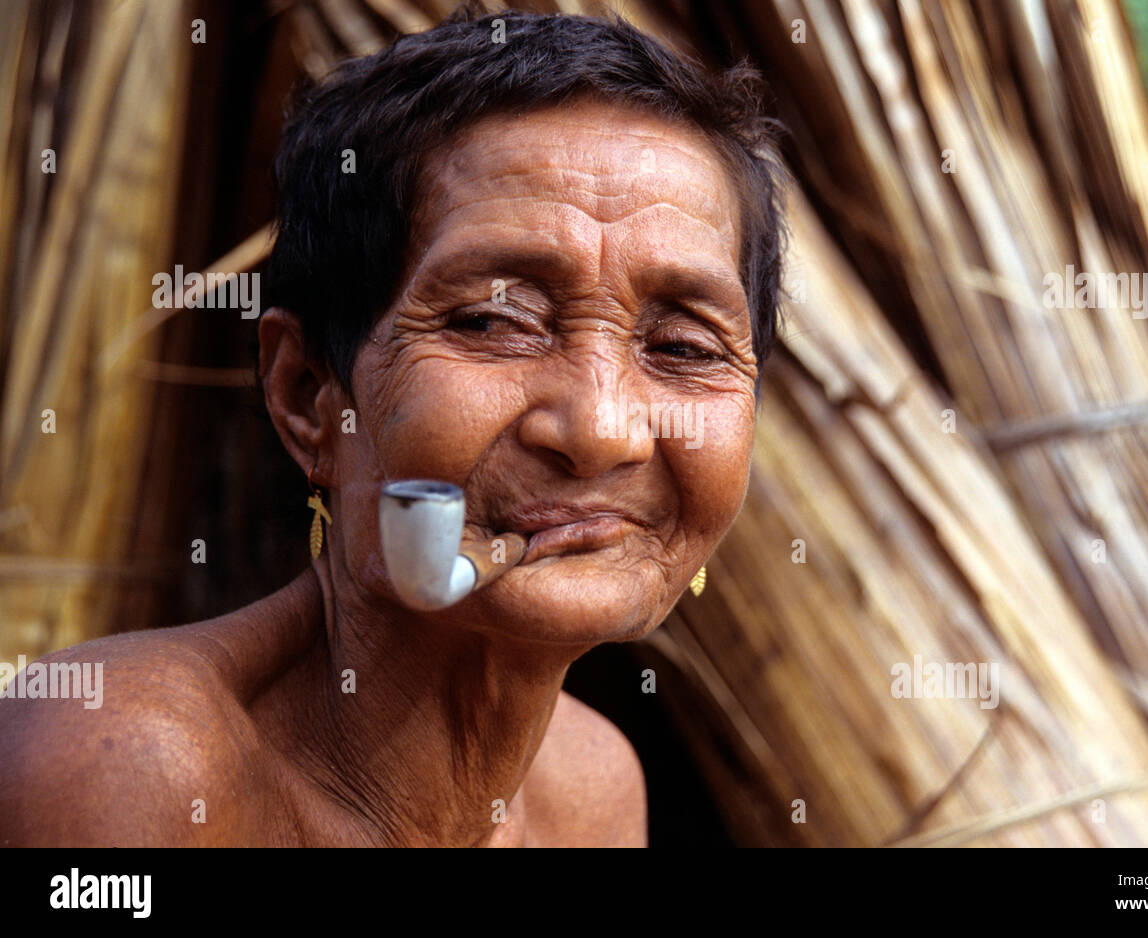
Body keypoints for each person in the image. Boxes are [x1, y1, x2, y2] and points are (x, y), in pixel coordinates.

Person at [0, 3, 789, 847]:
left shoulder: (591, 796)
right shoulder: (130, 765)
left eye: (682, 346)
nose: (601, 431)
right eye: (493, 323)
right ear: (308, 395)